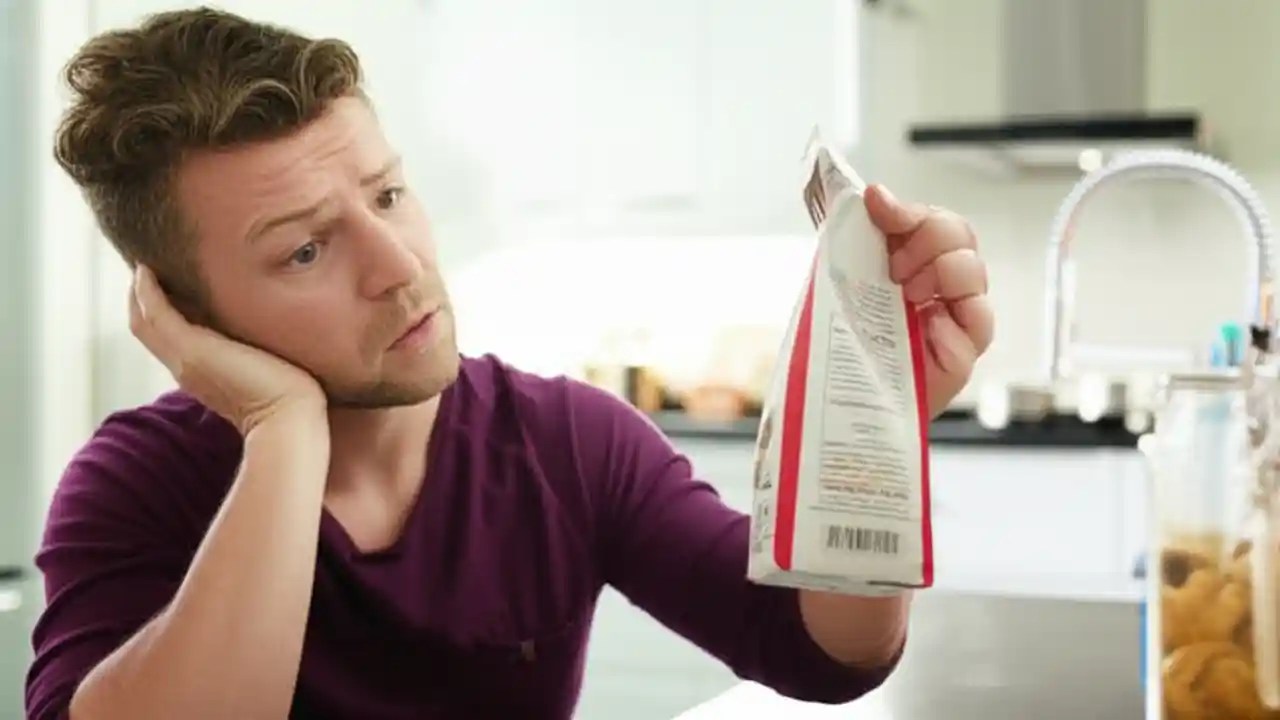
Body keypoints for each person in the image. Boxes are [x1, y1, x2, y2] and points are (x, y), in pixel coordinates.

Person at [25, 7, 994, 720]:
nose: (399, 265)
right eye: (305, 251)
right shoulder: (135, 486)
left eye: (389, 194)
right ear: (189, 315)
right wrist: (283, 432)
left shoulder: (565, 442)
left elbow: (822, 657)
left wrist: (873, 420)